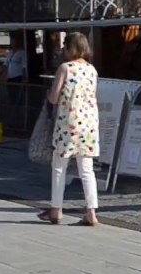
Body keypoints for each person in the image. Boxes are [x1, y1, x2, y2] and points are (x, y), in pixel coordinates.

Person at [42, 32, 100, 226]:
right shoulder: (92, 69)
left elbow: (54, 97)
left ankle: (56, 209)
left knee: (59, 166)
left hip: (68, 122)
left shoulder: (65, 68)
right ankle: (91, 212)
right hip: (89, 123)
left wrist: (49, 92)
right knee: (87, 170)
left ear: (69, 49)